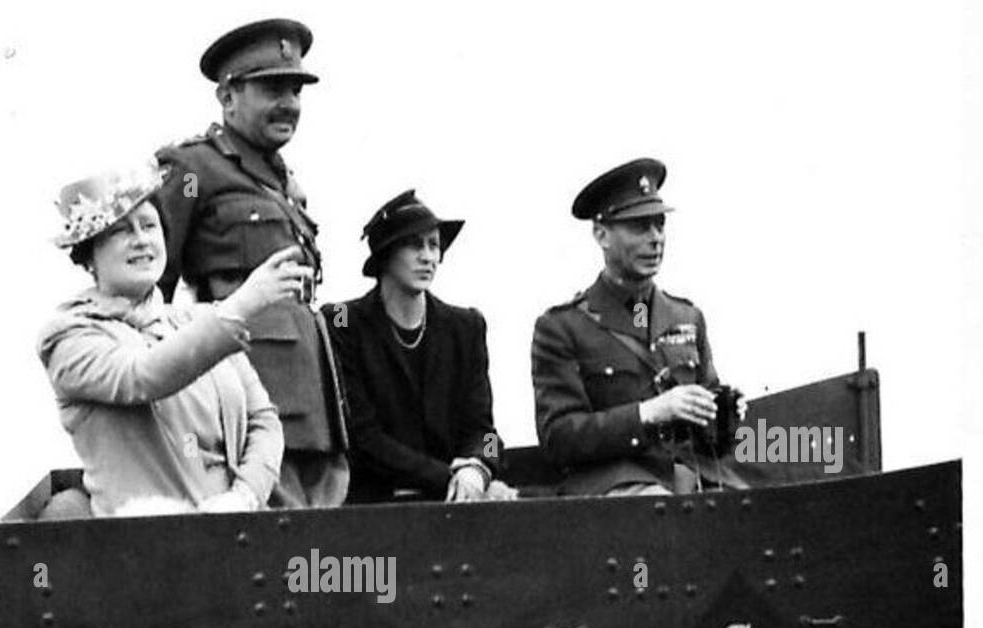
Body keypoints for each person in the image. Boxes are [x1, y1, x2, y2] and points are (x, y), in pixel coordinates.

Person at [153, 18, 350, 509]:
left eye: (296, 90)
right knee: (278, 552)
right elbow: (156, 283)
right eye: (272, 88)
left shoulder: (284, 181)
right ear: (228, 97)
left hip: (312, 395)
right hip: (250, 395)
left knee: (323, 549)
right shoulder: (192, 169)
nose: (289, 103)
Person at [38, 160, 308, 516]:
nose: (141, 240)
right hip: (144, 551)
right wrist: (239, 305)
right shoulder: (70, 335)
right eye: (121, 230)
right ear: (89, 255)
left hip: (239, 537)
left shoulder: (197, 320)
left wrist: (243, 497)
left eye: (149, 225)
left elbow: (264, 420)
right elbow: (142, 376)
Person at [532, 159, 748, 496]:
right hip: (612, 483)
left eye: (659, 226)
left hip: (687, 476)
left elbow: (710, 442)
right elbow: (559, 438)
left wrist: (725, 417)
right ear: (601, 234)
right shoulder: (562, 327)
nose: (655, 239)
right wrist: (648, 413)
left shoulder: (687, 317)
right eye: (639, 227)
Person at [325, 190, 515, 504]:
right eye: (415, 245)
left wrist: (479, 468)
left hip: (454, 503)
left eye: (434, 245)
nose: (428, 257)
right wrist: (448, 478)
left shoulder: (466, 325)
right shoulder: (343, 320)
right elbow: (363, 438)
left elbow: (488, 435)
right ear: (385, 254)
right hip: (375, 508)